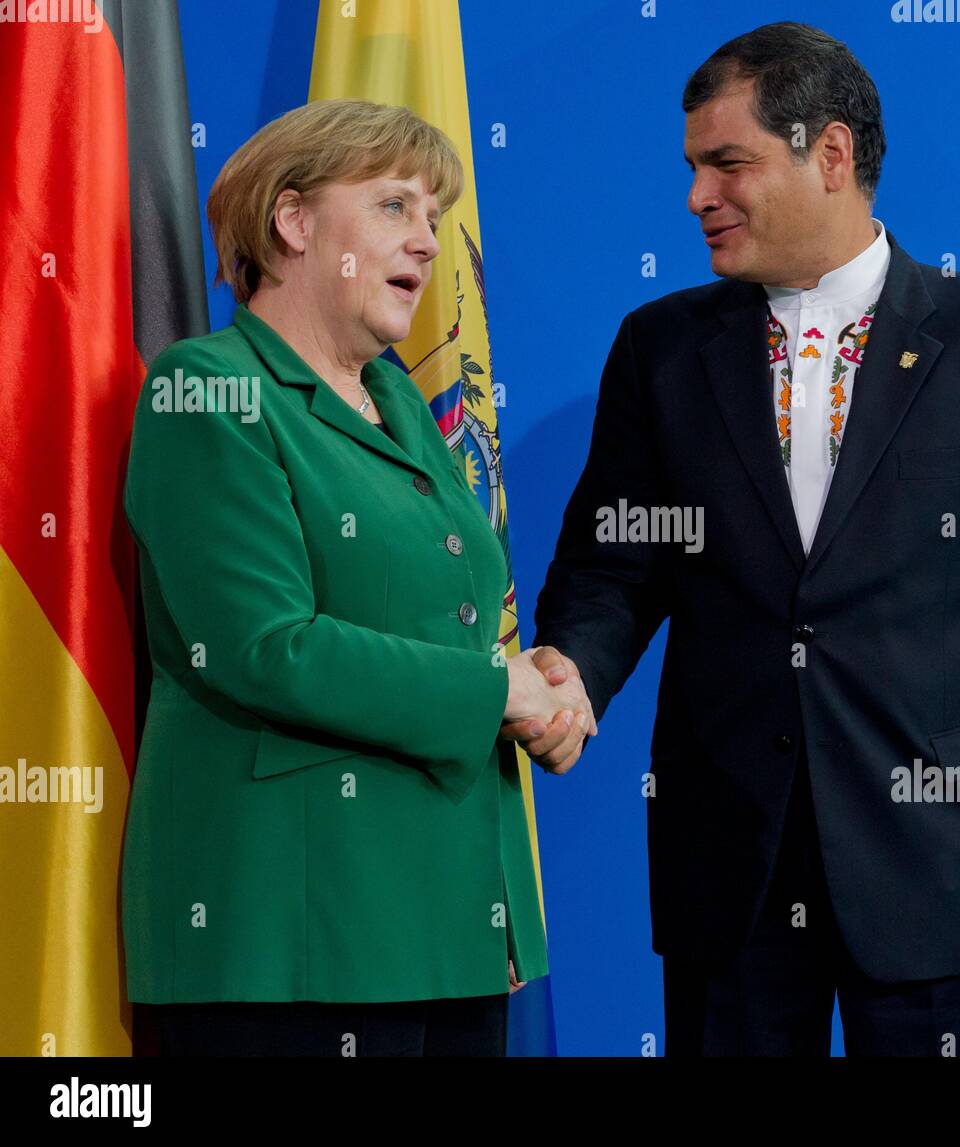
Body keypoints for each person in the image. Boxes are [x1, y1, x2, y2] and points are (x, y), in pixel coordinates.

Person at [507, 23, 960, 1056]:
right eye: (692, 167)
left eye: (727, 163)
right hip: (727, 875)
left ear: (830, 154)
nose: (697, 196)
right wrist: (570, 673)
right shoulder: (659, 350)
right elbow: (615, 565)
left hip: (934, 879)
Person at [122, 98, 592, 1057]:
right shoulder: (205, 390)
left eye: (435, 215)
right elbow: (264, 646)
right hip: (294, 945)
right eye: (393, 206)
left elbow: (447, 623)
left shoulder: (398, 401)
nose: (427, 240)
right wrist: (491, 688)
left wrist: (535, 676)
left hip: (454, 929)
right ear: (294, 223)